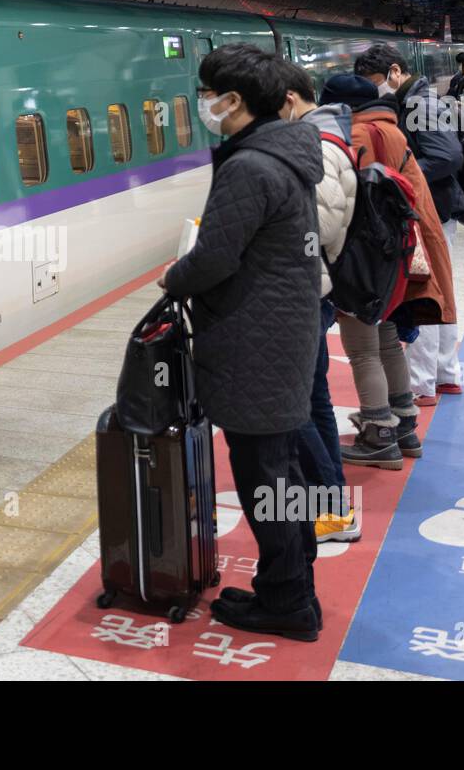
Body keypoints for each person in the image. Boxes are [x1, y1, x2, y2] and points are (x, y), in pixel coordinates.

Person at [159, 43, 324, 641]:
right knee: (284, 472)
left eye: (207, 93)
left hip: (256, 340)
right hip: (282, 332)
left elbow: (215, 259)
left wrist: (173, 277)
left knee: (265, 478)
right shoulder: (285, 154)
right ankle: (293, 586)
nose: (202, 102)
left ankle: (287, 602)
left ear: (233, 102)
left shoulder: (249, 166)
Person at [318, 74, 457, 469]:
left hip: (365, 258)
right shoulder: (392, 130)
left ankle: (378, 433)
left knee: (362, 349)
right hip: (392, 256)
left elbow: (344, 199)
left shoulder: (358, 136)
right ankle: (404, 427)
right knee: (387, 339)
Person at [275, 60, 359, 544]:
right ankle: (333, 506)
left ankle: (330, 508)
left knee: (298, 404)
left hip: (308, 290)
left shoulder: (318, 144)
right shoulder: (324, 133)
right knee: (314, 399)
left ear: (288, 99)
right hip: (316, 288)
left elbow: (322, 227)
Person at [354, 44, 464, 406]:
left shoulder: (419, 104)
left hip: (430, 207)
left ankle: (422, 382)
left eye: (377, 81)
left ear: (395, 71)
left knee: (425, 292)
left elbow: (447, 156)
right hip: (430, 205)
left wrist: (401, 177)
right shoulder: (414, 99)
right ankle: (447, 374)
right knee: (441, 289)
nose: (376, 89)